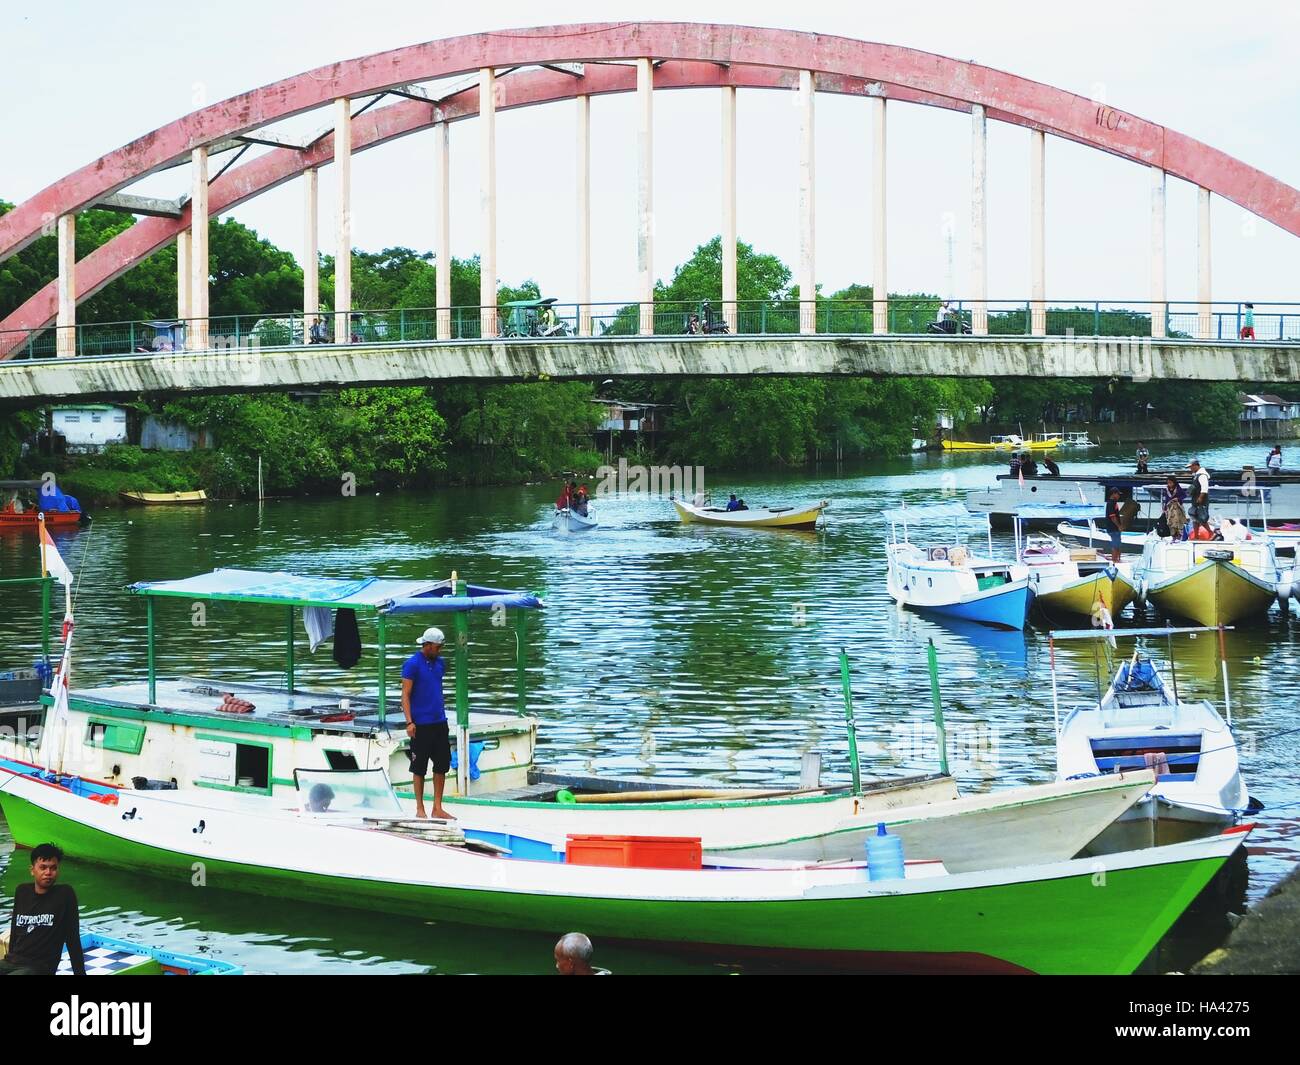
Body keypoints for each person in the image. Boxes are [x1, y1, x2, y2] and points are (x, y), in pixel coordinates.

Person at [2, 843, 86, 976]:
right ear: (32, 870)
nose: (48, 873)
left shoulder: (65, 895)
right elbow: (15, 931)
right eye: (43, 867)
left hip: (39, 968)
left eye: (53, 868)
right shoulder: (22, 891)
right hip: (12, 962)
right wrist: (9, 957)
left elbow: (73, 939)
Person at [402, 627, 453, 820]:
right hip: (420, 724)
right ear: (428, 645)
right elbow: (405, 695)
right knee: (419, 767)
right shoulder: (412, 664)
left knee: (441, 764)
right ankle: (420, 808)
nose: (439, 650)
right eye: (437, 647)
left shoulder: (440, 664)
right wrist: (409, 722)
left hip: (439, 722)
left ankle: (437, 807)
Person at [1104, 487, 1125, 564]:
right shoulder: (1111, 503)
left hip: (1115, 528)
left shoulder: (1113, 503)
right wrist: (1119, 525)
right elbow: (1112, 517)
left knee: (1118, 544)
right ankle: (1114, 560)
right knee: (1115, 545)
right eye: (1118, 494)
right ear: (1113, 494)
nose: (1119, 496)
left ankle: (1118, 559)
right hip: (1113, 528)